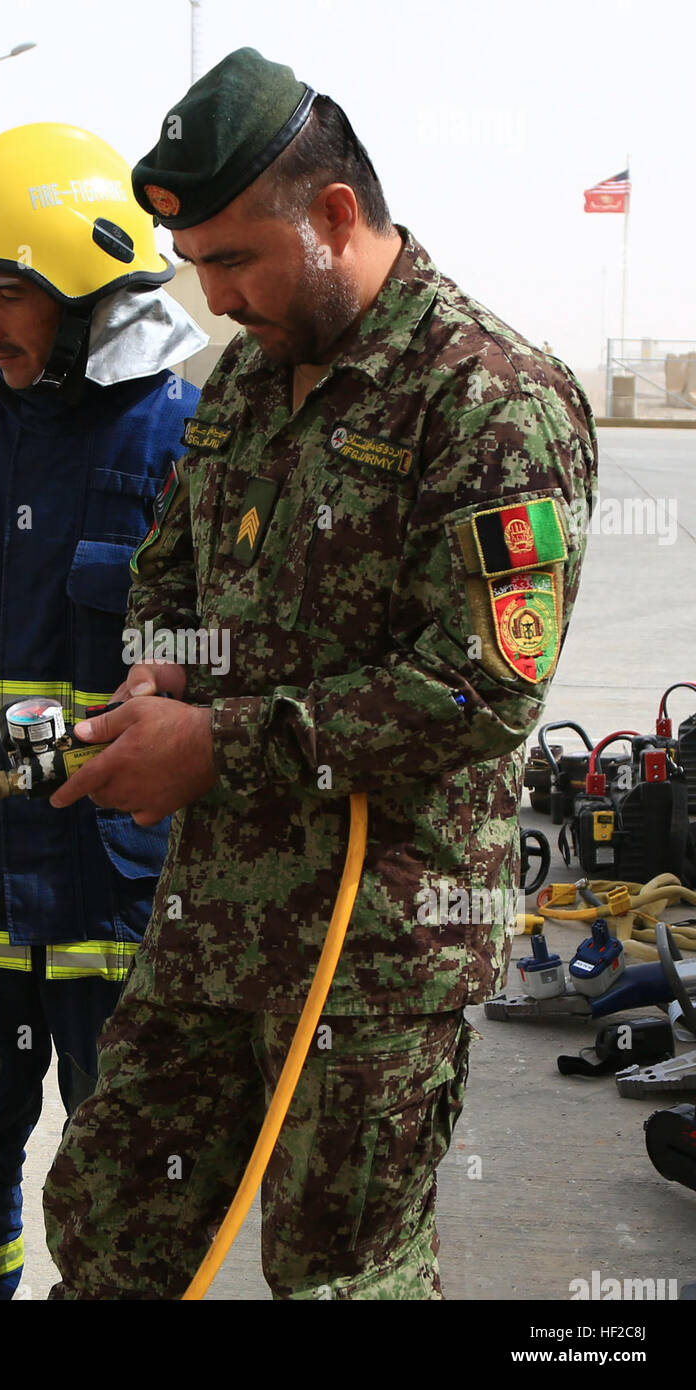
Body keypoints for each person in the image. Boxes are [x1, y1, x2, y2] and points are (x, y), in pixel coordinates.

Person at [41, 49, 597, 1299]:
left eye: (235, 258)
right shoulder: (241, 381)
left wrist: (220, 747)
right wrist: (160, 679)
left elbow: (479, 687)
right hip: (208, 921)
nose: (215, 295)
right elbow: (166, 570)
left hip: (376, 949)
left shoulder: (488, 397)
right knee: (111, 1228)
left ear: (333, 215)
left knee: (345, 1275)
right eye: (198, 264)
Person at [0, 122, 203, 1299]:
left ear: (89, 291)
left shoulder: (186, 444)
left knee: (129, 1186)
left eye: (5, 291)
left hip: (117, 902)